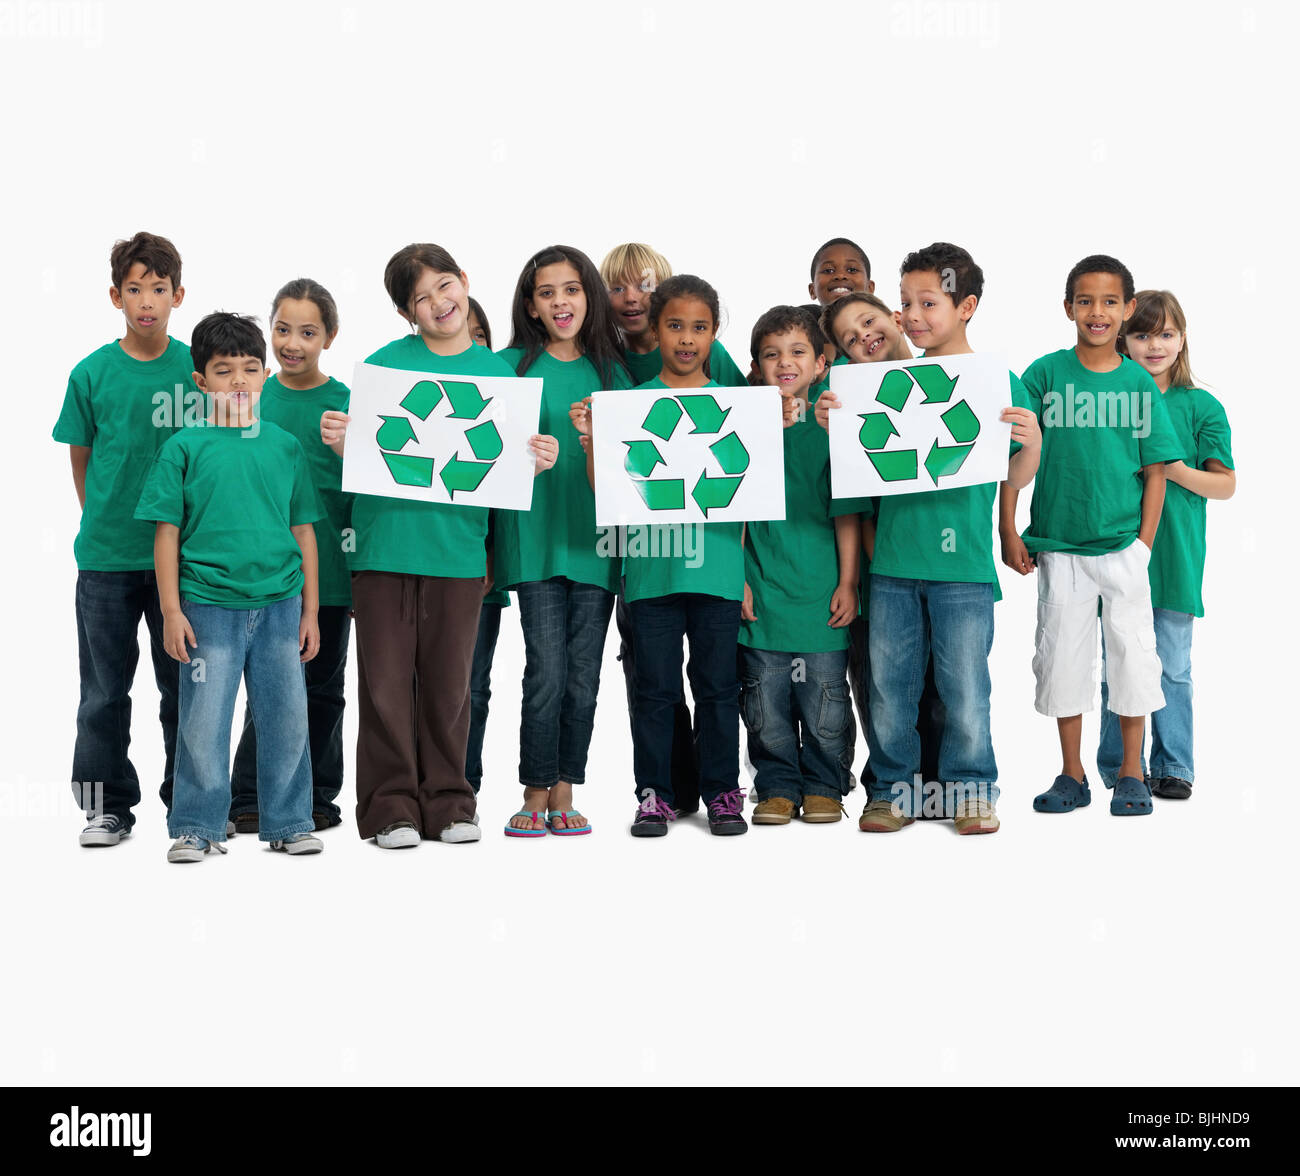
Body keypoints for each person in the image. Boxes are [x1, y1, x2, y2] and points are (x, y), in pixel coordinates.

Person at [320, 243, 557, 849]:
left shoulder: (499, 375)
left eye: (444, 285)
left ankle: (451, 801)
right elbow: (365, 458)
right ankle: (388, 808)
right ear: (408, 313)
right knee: (384, 687)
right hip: (384, 547)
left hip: (457, 553)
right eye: (420, 297)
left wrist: (535, 464)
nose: (438, 302)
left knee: (452, 687)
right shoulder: (382, 368)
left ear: (466, 284)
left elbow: (500, 471)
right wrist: (345, 445)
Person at [857, 243, 1040, 834]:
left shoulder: (997, 383)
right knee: (890, 689)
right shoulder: (883, 381)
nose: (911, 314)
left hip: (963, 566)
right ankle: (892, 790)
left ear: (967, 306)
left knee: (965, 687)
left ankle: (970, 790)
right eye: (904, 302)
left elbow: (1013, 475)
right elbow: (858, 468)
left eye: (927, 302)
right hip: (891, 565)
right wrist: (837, 421)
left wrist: (1033, 443)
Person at [135, 312, 324, 862]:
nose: (238, 381)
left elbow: (304, 530)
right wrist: (171, 610)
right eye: (224, 371)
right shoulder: (184, 448)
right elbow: (166, 535)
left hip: (280, 605)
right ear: (201, 382)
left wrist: (310, 610)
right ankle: (197, 824)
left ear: (265, 375)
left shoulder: (285, 446)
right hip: (207, 607)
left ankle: (289, 821)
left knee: (287, 717)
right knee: (203, 719)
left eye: (249, 369)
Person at [1000, 254, 1183, 817]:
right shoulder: (1045, 374)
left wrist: (1143, 543)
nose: (1097, 312)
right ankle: (1072, 773)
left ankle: (1132, 772)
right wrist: (1007, 525)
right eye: (1085, 301)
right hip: (1058, 545)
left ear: (1127, 309)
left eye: (1109, 302)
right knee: (1063, 659)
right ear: (1067, 308)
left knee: (1133, 658)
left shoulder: (1137, 382)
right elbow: (1010, 450)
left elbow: (1156, 470)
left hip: (1122, 545)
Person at [572, 275, 749, 836]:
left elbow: (750, 495)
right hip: (649, 573)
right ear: (655, 328)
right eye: (674, 326)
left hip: (719, 569)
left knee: (719, 688)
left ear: (715, 333)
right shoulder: (626, 405)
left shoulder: (735, 406)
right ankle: (655, 794)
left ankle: (723, 793)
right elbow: (612, 496)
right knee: (655, 690)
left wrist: (743, 573)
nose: (687, 338)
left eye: (699, 327)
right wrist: (593, 442)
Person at [53, 231, 193, 847]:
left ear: (177, 295)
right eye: (134, 289)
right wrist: (102, 518)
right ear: (115, 296)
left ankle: (188, 803)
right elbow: (81, 459)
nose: (146, 300)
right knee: (101, 693)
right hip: (106, 559)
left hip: (186, 561)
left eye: (158, 289)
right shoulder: (91, 373)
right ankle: (100, 808)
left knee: (185, 689)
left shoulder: (198, 369)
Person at [496, 246, 632, 836]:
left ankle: (566, 787)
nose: (560, 302)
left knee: (584, 673)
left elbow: (639, 465)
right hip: (535, 541)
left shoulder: (614, 372)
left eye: (571, 289)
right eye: (547, 291)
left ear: (589, 295)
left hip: (597, 545)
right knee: (545, 669)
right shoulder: (507, 369)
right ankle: (533, 789)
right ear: (530, 303)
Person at [1094, 289, 1235, 801]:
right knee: (1118, 665)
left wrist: (1174, 470)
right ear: (1125, 341)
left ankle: (1174, 765)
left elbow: (1225, 485)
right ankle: (1118, 766)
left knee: (1172, 666)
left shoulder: (1200, 405)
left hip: (1173, 556)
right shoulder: (1108, 400)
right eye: (1143, 334)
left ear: (1182, 340)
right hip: (1113, 551)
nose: (1155, 345)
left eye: (1166, 334)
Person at [229, 279, 352, 833]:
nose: (292, 343)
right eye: (282, 329)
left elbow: (370, 485)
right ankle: (250, 795)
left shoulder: (349, 402)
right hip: (267, 575)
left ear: (329, 336)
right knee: (267, 690)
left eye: (308, 331)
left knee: (323, 686)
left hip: (331, 572)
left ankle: (320, 795)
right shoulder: (255, 397)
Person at [741, 306, 859, 825]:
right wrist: (738, 581)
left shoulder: (832, 432)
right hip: (763, 593)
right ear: (756, 365)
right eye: (771, 354)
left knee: (826, 706)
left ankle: (825, 784)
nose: (784, 363)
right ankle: (776, 787)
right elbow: (732, 512)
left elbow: (847, 513)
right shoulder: (743, 430)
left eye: (796, 352)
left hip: (821, 595)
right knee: (765, 708)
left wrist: (849, 582)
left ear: (821, 363)